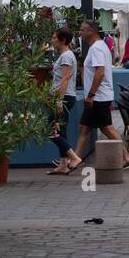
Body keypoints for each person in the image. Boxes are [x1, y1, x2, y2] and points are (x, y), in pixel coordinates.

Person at [75, 19, 129, 169]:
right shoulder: (99, 47)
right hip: (100, 96)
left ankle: (126, 157)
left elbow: (100, 72)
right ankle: (75, 159)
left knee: (106, 128)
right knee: (84, 127)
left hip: (98, 97)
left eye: (82, 30)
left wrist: (91, 95)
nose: (80, 33)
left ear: (91, 31)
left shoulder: (97, 49)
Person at [47, 27, 83, 175]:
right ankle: (63, 164)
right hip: (63, 97)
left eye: (55, 38)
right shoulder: (65, 56)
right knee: (61, 130)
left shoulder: (66, 56)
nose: (52, 40)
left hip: (64, 97)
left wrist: (59, 100)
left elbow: (65, 78)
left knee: (50, 130)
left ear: (63, 40)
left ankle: (74, 158)